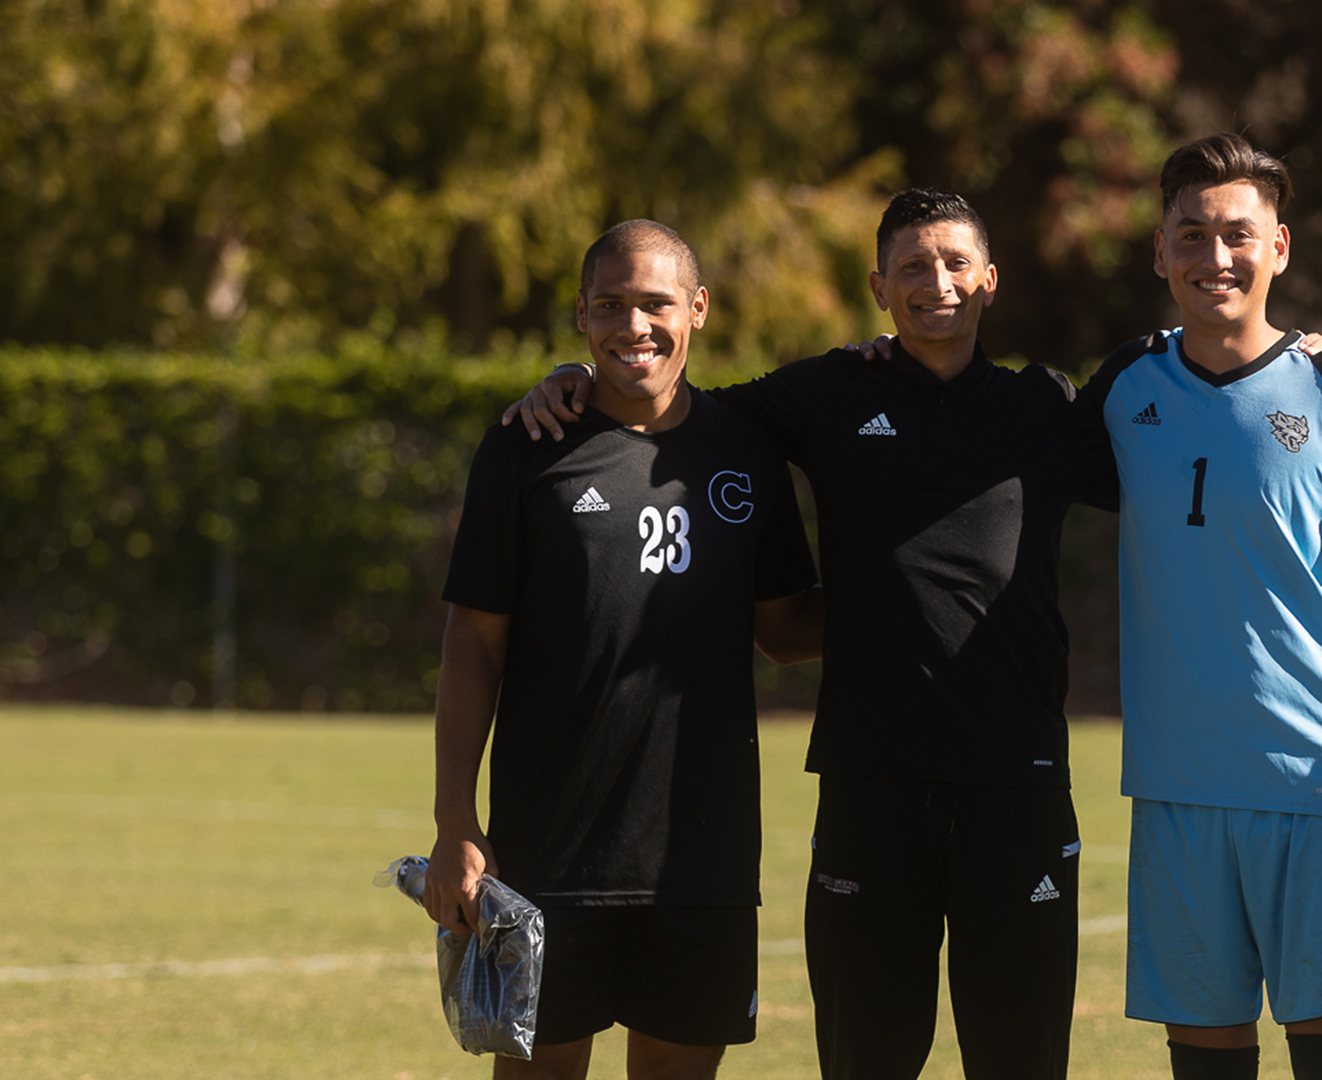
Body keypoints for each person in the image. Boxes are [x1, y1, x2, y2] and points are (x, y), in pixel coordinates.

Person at [505, 191, 1087, 1080]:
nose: (937, 283)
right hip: (869, 781)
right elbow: (670, 406)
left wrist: (1292, 354)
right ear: (878, 288)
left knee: (1023, 1061)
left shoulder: (1048, 407)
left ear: (989, 281)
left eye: (955, 264)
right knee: (862, 1059)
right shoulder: (826, 392)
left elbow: (1189, 424)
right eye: (912, 268)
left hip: (1019, 780)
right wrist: (573, 380)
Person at [1070, 133, 1322, 1080]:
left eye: (1239, 235)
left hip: (1321, 786)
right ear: (1160, 252)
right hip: (1178, 788)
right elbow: (988, 462)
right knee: (1206, 1063)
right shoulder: (1123, 389)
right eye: (1190, 235)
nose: (1215, 257)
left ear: (1279, 248)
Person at [425, 219, 824, 1080]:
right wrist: (455, 818)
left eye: (655, 304)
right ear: (579, 314)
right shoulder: (527, 444)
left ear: (700, 309)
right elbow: (473, 642)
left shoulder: (747, 451)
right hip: (546, 855)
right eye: (610, 305)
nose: (632, 326)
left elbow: (786, 632)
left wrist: (910, 588)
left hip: (702, 855)